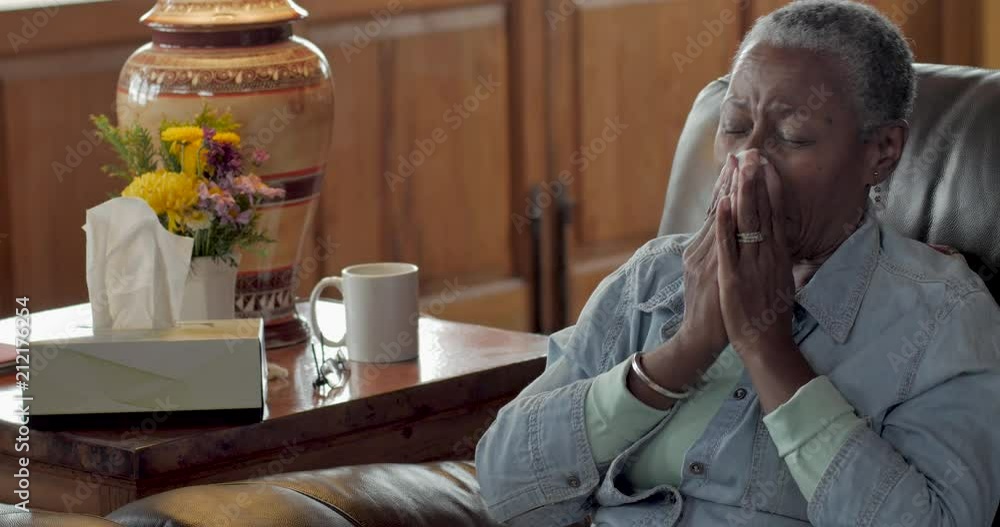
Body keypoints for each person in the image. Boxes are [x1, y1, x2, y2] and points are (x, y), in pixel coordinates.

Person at [474, 1, 1000, 525]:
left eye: (792, 138)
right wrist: (684, 351)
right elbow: (503, 485)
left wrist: (767, 347)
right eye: (734, 126)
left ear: (882, 151)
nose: (747, 161)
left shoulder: (940, 316)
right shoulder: (652, 277)